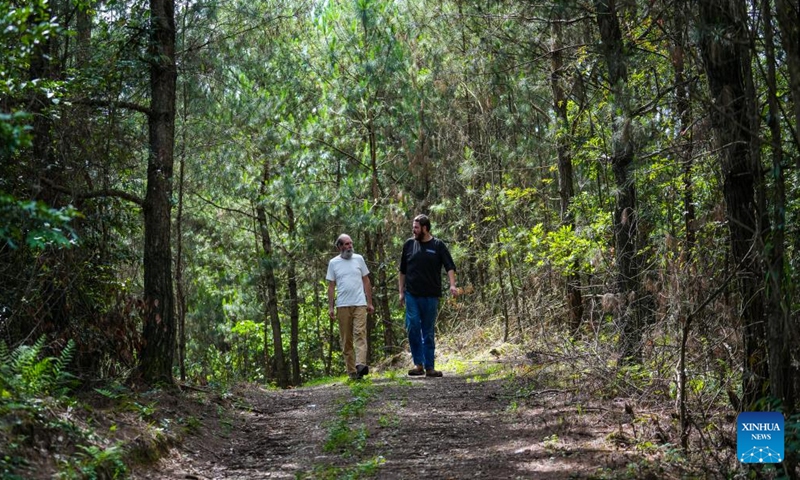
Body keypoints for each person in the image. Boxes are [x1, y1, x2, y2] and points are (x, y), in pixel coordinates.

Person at [398, 214, 457, 377]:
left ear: (425, 228)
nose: (413, 230)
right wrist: (401, 292)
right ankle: (418, 365)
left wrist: (452, 285)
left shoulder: (438, 245)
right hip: (412, 295)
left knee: (428, 330)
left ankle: (430, 366)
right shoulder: (409, 245)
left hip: (431, 295)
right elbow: (402, 270)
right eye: (413, 227)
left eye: (416, 227)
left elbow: (449, 266)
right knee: (413, 326)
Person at [327, 234, 374, 380]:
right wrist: (331, 307)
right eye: (346, 244)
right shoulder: (333, 263)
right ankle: (352, 372)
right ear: (339, 247)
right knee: (346, 339)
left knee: (360, 334)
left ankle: (361, 364)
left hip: (359, 303)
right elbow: (331, 286)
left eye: (350, 244)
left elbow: (366, 281)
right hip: (342, 305)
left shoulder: (359, 259)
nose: (349, 247)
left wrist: (369, 302)